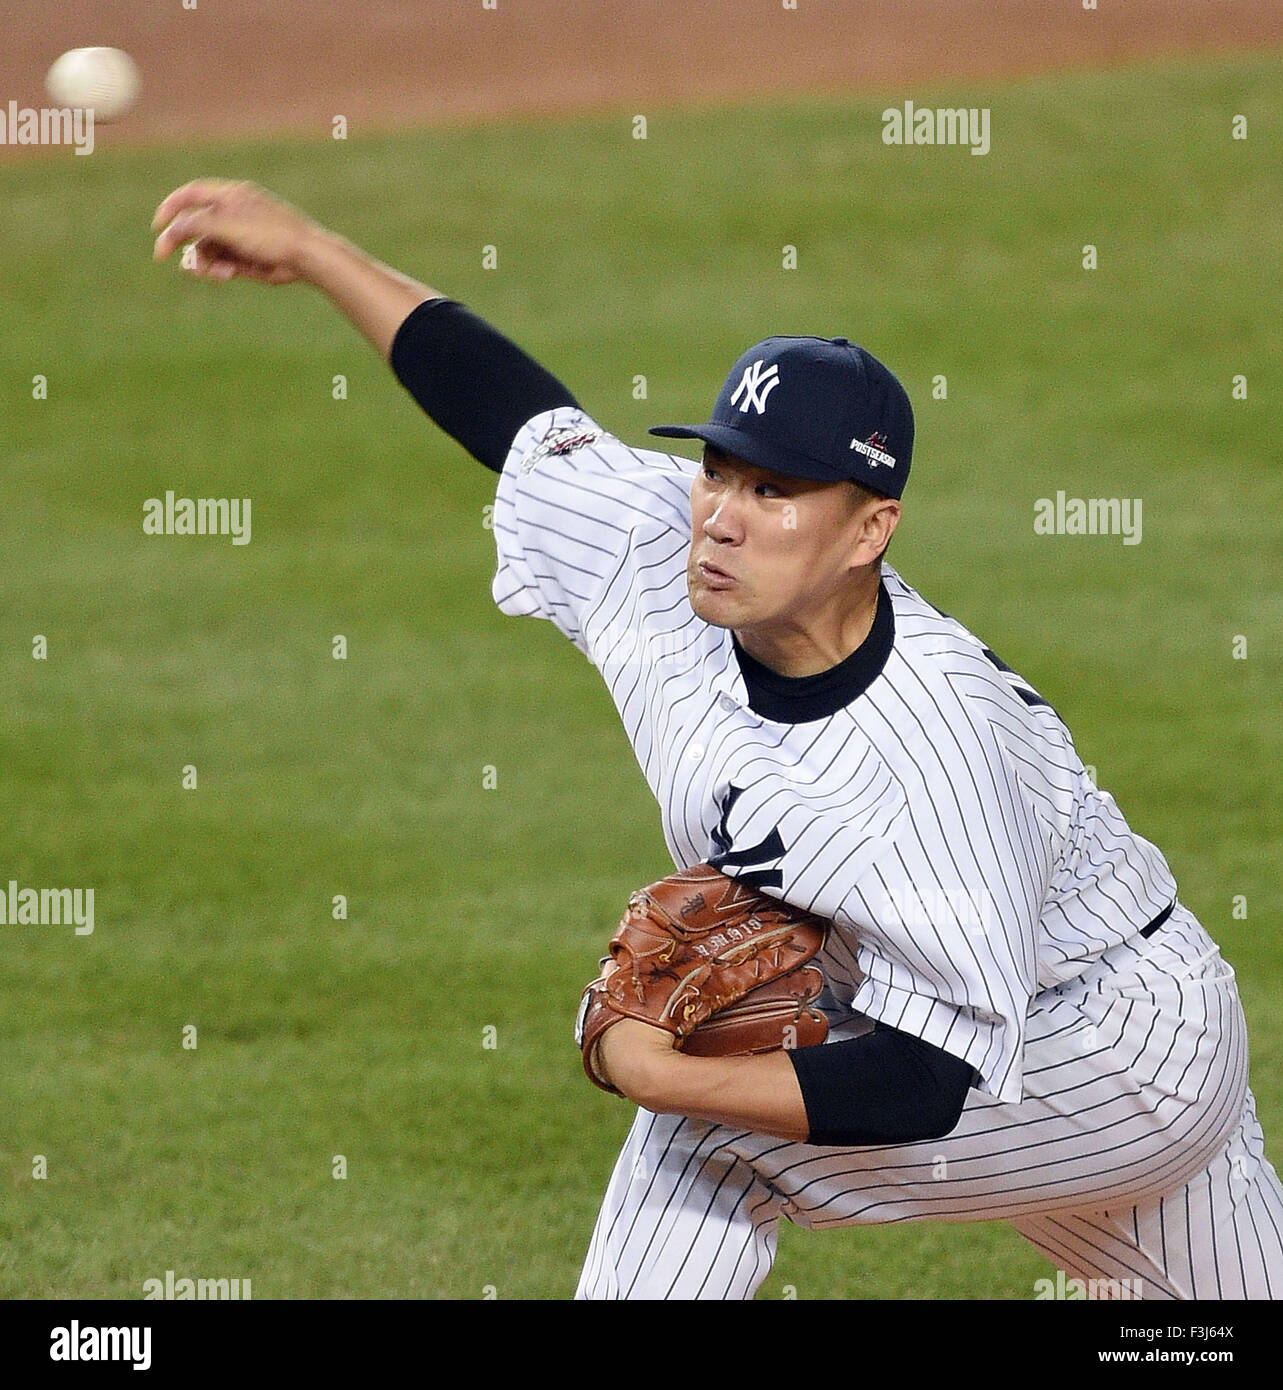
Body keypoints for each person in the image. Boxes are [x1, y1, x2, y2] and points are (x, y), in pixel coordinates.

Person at [153, 180, 1283, 1301]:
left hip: (1108, 1052)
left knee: (703, 1136)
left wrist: (661, 1070)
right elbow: (518, 419)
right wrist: (313, 248)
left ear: (869, 529)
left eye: (776, 488)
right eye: (717, 466)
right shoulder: (663, 545)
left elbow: (924, 1080)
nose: (721, 514)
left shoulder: (928, 747)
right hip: (1045, 1020)